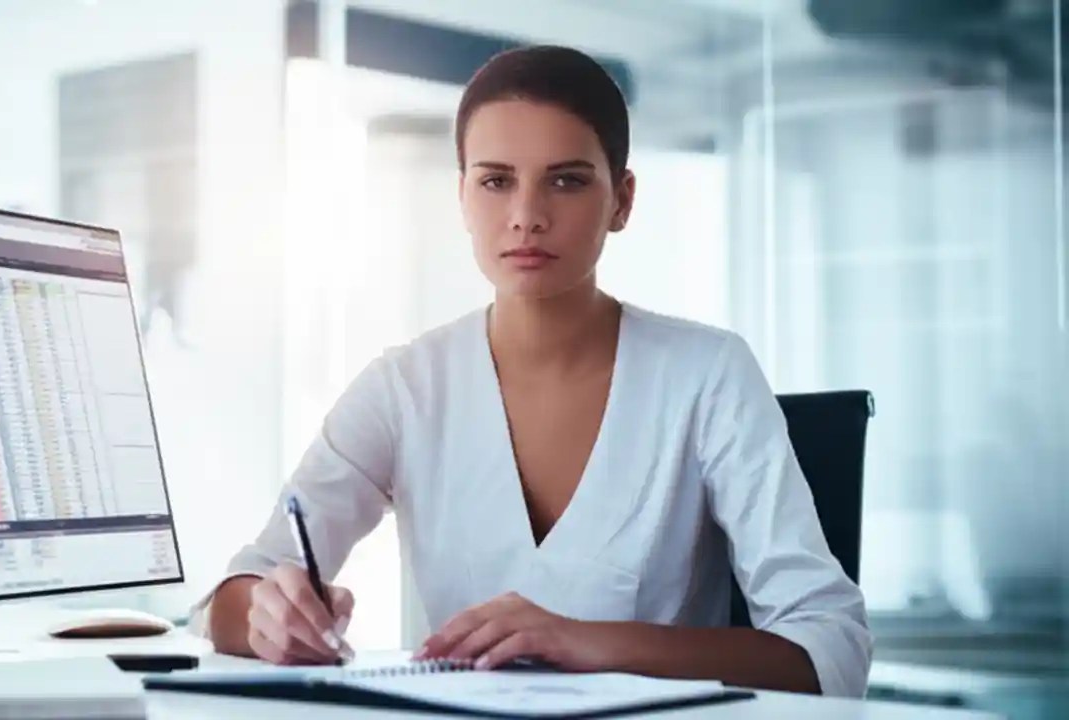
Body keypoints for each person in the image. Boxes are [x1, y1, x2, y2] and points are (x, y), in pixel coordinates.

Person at [192, 45, 871, 697]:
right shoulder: (405, 387)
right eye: (495, 181)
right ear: (462, 197)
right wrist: (270, 613)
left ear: (622, 200)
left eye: (567, 181)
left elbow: (829, 647)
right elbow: (232, 598)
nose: (525, 217)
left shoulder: (708, 375)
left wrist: (586, 641)